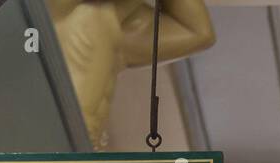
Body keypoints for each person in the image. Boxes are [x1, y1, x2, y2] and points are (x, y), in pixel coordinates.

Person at [47, 0, 216, 147]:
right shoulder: (51, 9)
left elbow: (197, 32)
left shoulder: (112, 19)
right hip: (39, 149)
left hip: (83, 157)